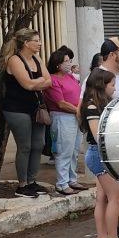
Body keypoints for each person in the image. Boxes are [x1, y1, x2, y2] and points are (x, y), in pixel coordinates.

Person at [77, 69, 119, 238]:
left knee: (102, 198)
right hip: (100, 155)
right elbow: (98, 136)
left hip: (98, 154)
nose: (114, 88)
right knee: (115, 197)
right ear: (102, 86)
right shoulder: (92, 107)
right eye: (112, 85)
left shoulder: (93, 104)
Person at [1, 28, 52, 198]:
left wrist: (37, 82)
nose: (39, 43)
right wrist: (38, 82)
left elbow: (49, 81)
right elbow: (27, 85)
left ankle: (32, 181)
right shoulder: (15, 60)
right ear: (26, 43)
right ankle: (22, 184)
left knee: (39, 143)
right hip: (17, 109)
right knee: (25, 146)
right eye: (36, 40)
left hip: (36, 108)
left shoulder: (37, 59)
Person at [44, 48, 85, 196]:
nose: (69, 64)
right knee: (64, 151)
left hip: (75, 116)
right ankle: (62, 183)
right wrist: (78, 111)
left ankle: (72, 179)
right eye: (66, 61)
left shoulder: (70, 77)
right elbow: (60, 103)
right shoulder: (53, 80)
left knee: (74, 150)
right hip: (62, 117)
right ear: (57, 64)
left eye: (70, 61)